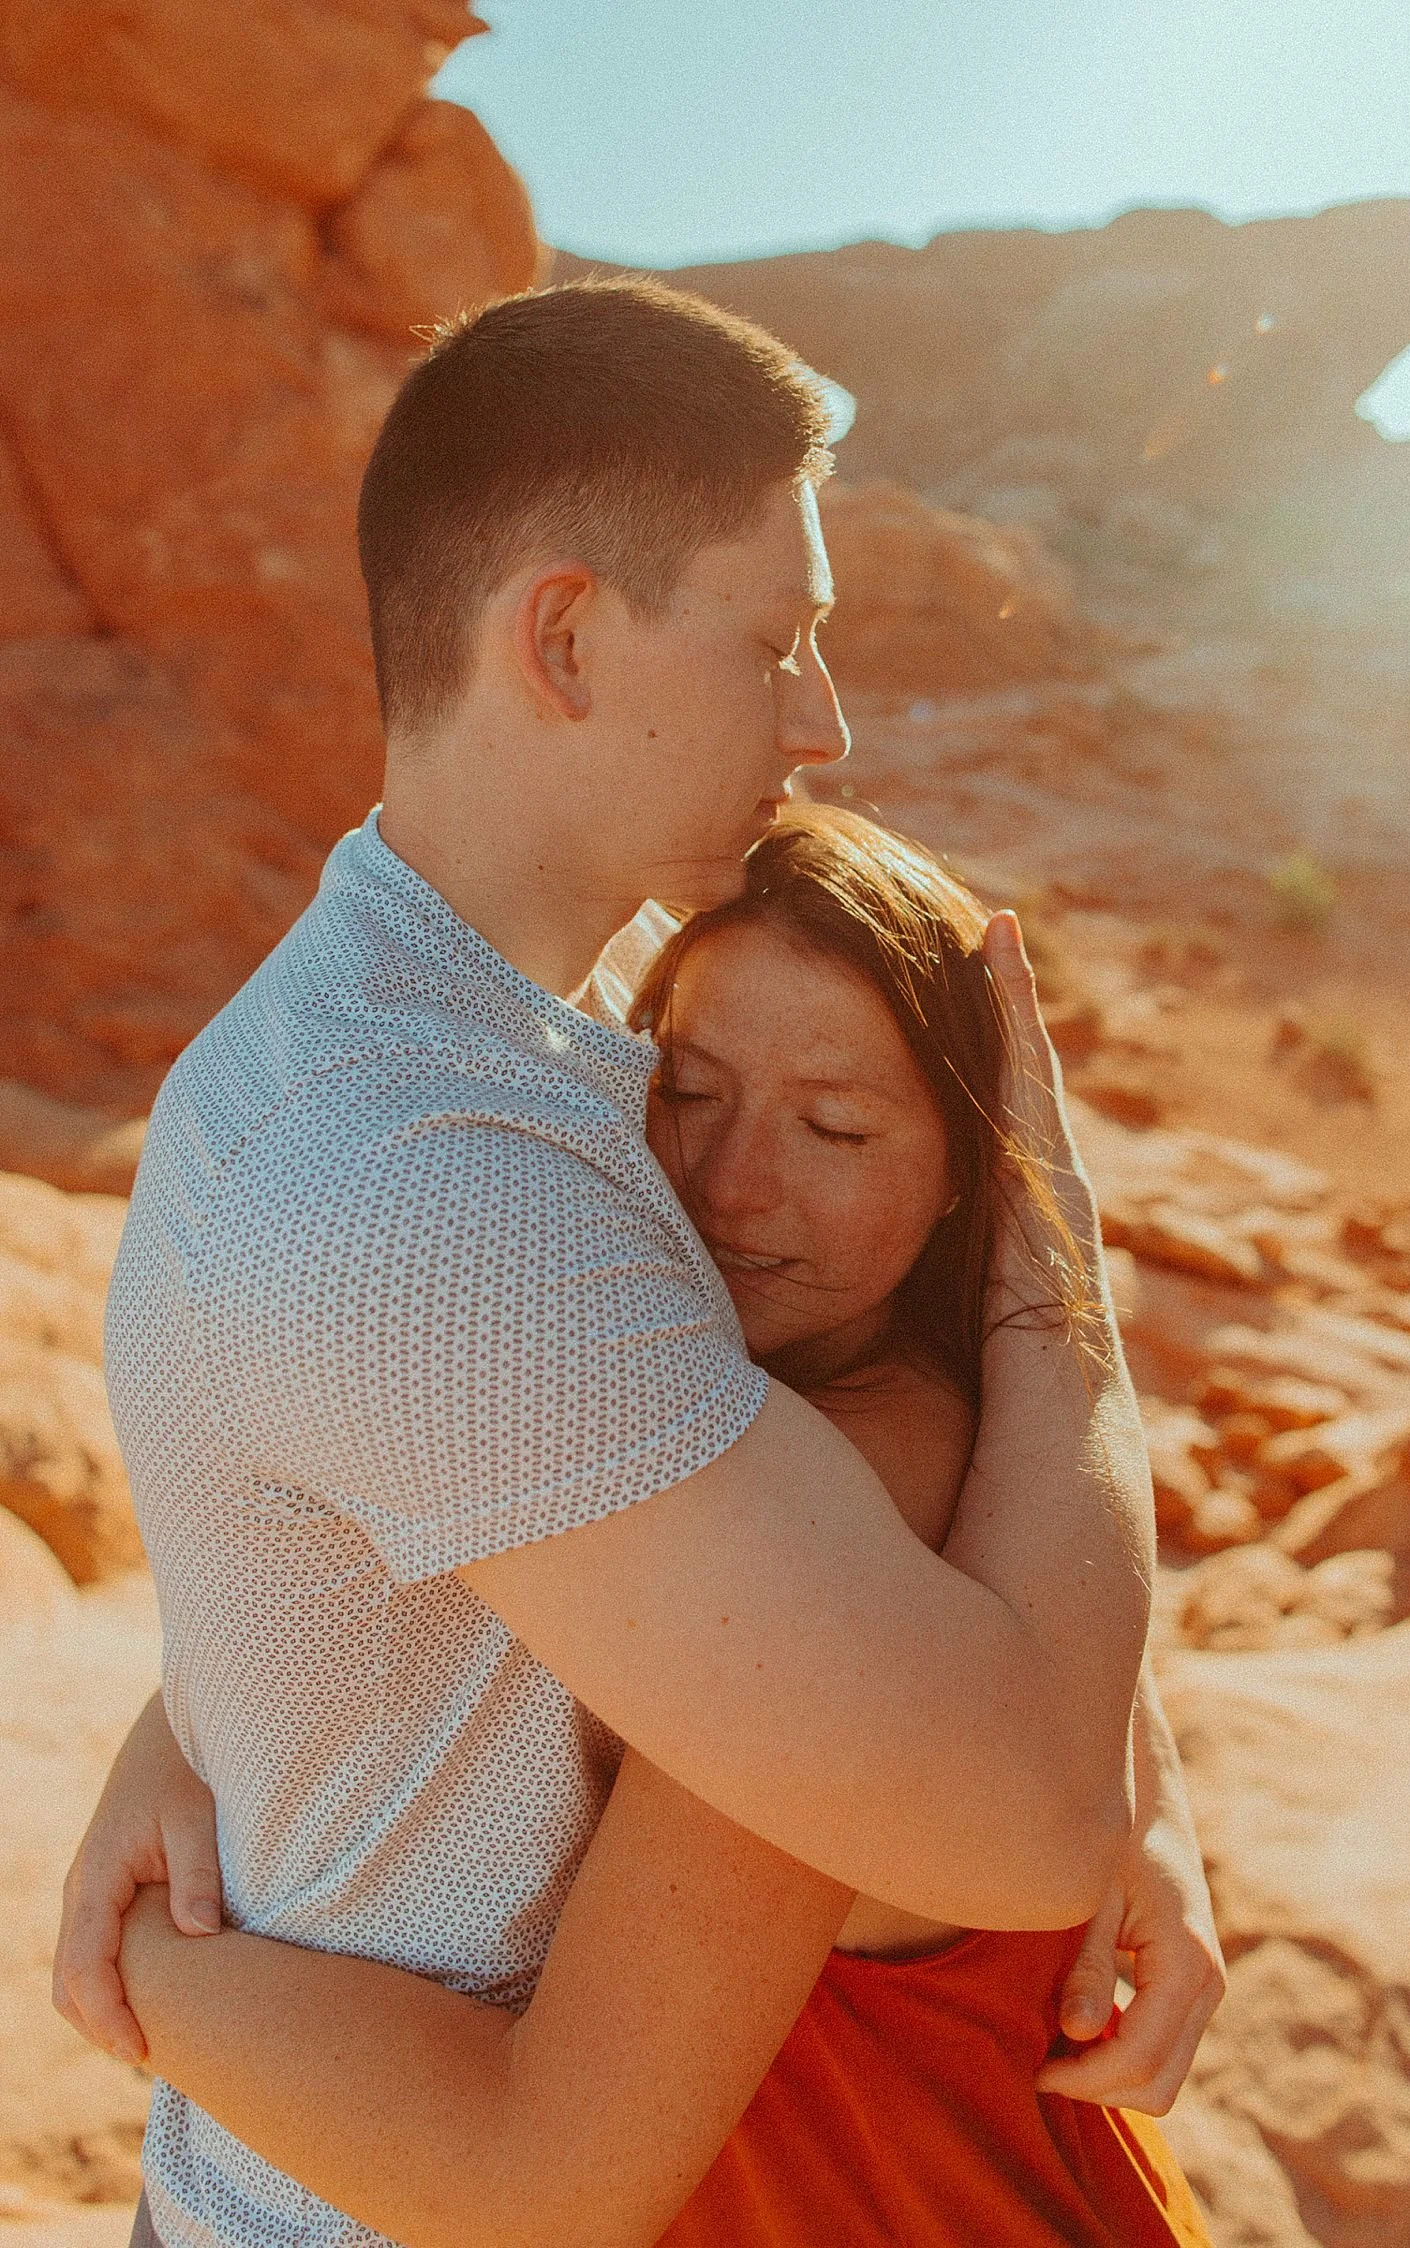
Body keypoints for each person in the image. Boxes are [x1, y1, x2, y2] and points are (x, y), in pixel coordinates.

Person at [53, 280, 1221, 2247]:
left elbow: (398, 1509)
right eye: (775, 640)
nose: (824, 717)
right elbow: (1024, 1805)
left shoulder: (556, 1032)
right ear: (568, 638)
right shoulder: (422, 1177)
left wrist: (196, 1716)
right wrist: (1057, 1284)